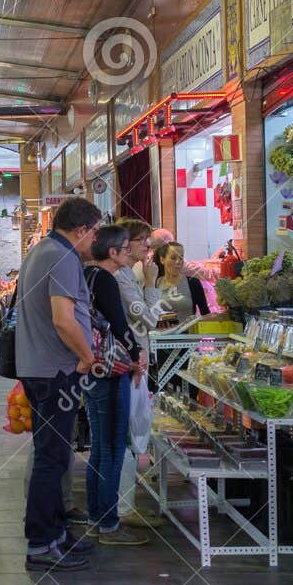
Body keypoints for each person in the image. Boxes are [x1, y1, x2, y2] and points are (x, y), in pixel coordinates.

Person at [16, 195, 104, 572]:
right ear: (81, 230)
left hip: (41, 368)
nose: (97, 240)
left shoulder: (43, 251)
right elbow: (63, 320)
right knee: (52, 460)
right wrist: (87, 357)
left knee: (53, 456)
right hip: (55, 372)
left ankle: (55, 533)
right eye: (96, 232)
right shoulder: (64, 257)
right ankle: (41, 543)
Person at [82, 225, 147, 545]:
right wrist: (136, 354)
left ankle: (96, 513)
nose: (129, 252)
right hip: (110, 370)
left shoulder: (86, 275)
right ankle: (108, 523)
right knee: (113, 447)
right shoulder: (106, 279)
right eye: (125, 247)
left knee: (99, 445)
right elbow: (120, 325)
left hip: (90, 369)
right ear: (113, 253)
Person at [112, 218, 162, 529]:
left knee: (128, 433)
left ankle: (123, 504)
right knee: (125, 434)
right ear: (125, 244)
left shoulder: (127, 274)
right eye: (143, 240)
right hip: (127, 364)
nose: (147, 246)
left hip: (133, 361)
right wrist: (151, 285)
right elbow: (147, 320)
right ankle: (121, 508)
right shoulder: (122, 277)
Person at [154, 241, 210, 323]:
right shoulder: (155, 284)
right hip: (162, 334)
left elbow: (205, 313)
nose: (178, 262)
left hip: (189, 334)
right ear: (162, 260)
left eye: (181, 258)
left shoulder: (193, 283)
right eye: (173, 258)